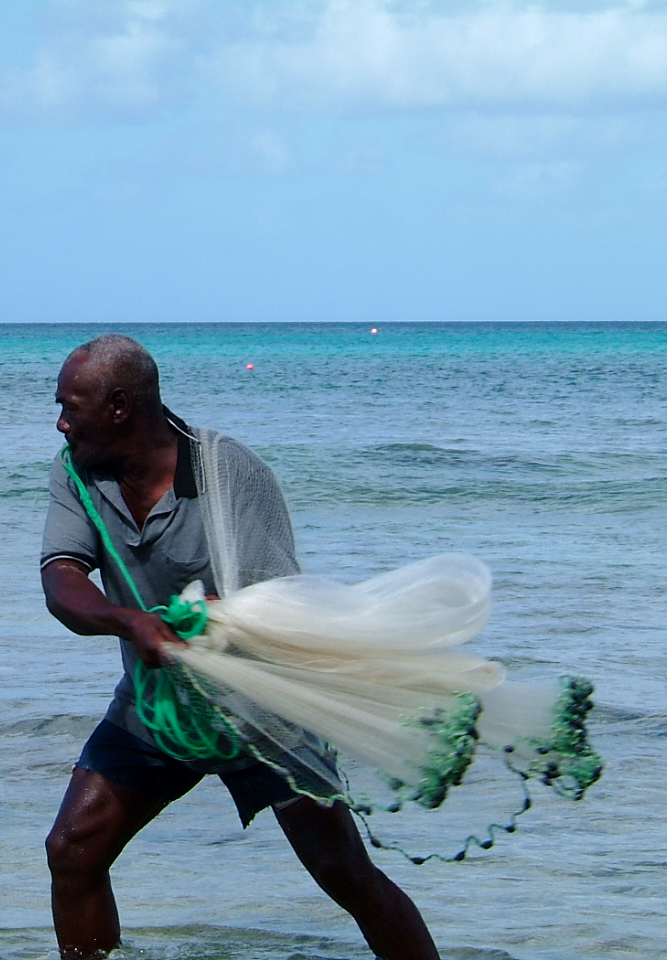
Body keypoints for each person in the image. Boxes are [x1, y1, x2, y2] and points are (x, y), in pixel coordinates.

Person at [40, 334, 440, 960]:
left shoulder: (230, 472)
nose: (61, 423)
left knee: (344, 875)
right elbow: (62, 583)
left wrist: (184, 621)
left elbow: (275, 608)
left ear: (119, 406)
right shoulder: (77, 470)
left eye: (70, 406)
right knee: (72, 850)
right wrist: (132, 622)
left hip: (261, 705)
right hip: (160, 704)